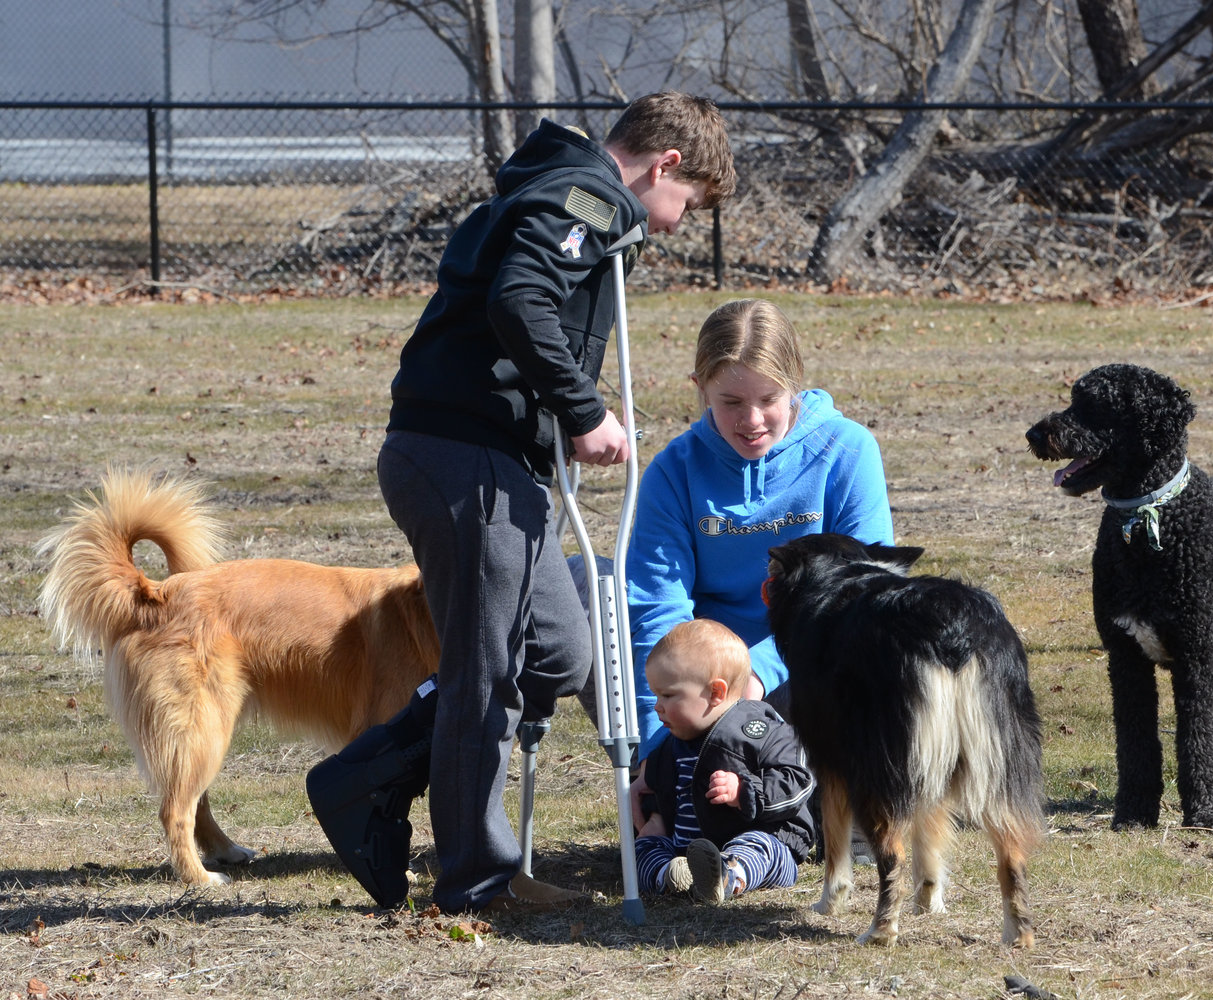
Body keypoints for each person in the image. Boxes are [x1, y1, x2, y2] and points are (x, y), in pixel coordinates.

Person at [306, 92, 737, 916]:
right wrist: (584, 410)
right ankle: (479, 880)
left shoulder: (566, 189)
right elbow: (520, 298)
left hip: (494, 463)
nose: (678, 225)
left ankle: (366, 775)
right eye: (686, 203)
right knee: (488, 670)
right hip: (464, 458)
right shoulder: (586, 195)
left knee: (559, 653)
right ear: (665, 165)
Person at [625, 298, 894, 761]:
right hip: (702, 693)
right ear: (700, 388)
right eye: (730, 402)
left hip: (807, 671)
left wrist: (757, 675)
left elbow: (866, 591)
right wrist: (660, 760)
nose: (751, 421)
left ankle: (839, 788)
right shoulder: (674, 470)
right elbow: (655, 609)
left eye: (769, 400)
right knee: (588, 591)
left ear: (794, 386)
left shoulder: (846, 450)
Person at [634, 619, 817, 903]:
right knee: (642, 849)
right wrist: (655, 817)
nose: (657, 705)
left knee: (758, 847)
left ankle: (728, 875)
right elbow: (665, 791)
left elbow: (796, 780)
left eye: (668, 695)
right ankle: (669, 875)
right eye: (656, 694)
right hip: (684, 849)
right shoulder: (673, 742)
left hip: (763, 834)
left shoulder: (760, 731)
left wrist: (744, 791)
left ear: (715, 693)